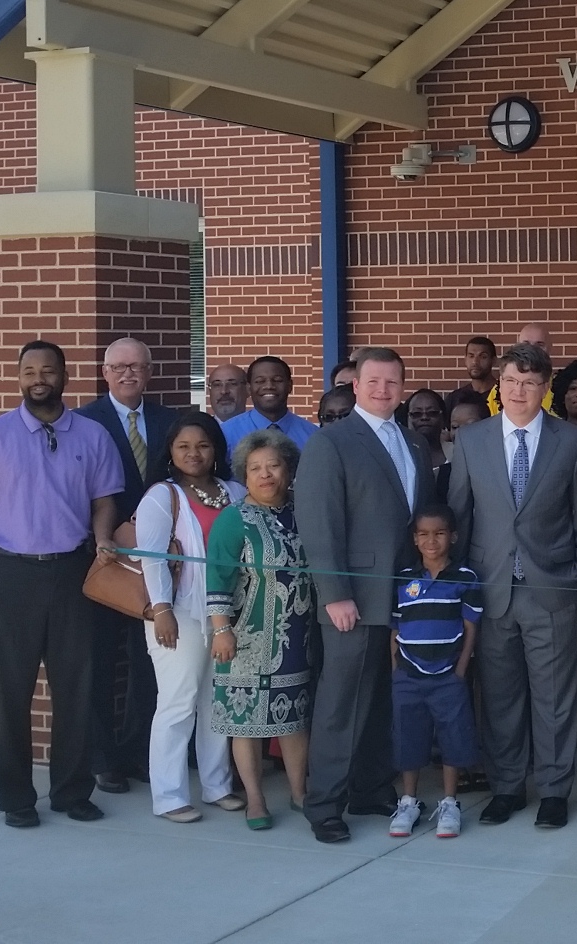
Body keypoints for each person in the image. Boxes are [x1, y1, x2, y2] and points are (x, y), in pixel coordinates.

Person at [0, 341, 125, 827]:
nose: (39, 378)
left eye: (48, 370)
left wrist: (100, 542)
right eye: (29, 370)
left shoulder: (92, 436)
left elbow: (104, 503)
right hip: (9, 575)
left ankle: (72, 793)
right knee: (9, 692)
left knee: (77, 687)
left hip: (73, 573)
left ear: (64, 376)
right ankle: (15, 798)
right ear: (19, 378)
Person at [445, 341, 577, 830]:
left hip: (550, 590)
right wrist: (459, 587)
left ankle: (554, 789)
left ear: (545, 388)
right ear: (499, 384)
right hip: (491, 591)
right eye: (511, 381)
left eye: (531, 383)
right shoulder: (472, 440)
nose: (520, 391)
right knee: (500, 696)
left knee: (555, 697)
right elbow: (460, 517)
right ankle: (508, 786)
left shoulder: (571, 442)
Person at [296, 347, 431, 843]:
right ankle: (324, 804)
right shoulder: (331, 443)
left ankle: (370, 788)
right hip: (352, 598)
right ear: (356, 385)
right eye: (373, 381)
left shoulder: (414, 443)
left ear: (402, 385)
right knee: (341, 702)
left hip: (404, 595)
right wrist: (335, 594)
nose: (382, 390)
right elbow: (319, 522)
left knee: (382, 700)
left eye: (392, 382)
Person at [76, 336, 177, 795]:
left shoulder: (169, 422)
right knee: (99, 660)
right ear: (105, 373)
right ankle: (104, 759)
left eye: (136, 366)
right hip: (101, 558)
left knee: (148, 662)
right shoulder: (82, 422)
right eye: (118, 367)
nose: (127, 373)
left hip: (154, 561)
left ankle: (140, 753)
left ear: (149, 372)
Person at [135, 411, 244, 823]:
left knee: (217, 703)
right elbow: (152, 560)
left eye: (202, 445)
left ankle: (216, 786)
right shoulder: (163, 496)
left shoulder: (233, 491)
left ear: (216, 448)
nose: (193, 453)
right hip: (178, 612)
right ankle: (168, 795)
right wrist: (161, 611)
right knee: (178, 704)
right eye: (183, 446)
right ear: (170, 451)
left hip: (226, 614)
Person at [206, 428, 315, 830]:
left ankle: (300, 792)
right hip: (246, 637)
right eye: (256, 468)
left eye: (274, 466)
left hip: (296, 635)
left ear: (288, 470)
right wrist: (222, 631)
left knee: (294, 718)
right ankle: (255, 800)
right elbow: (217, 576)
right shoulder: (234, 518)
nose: (266, 475)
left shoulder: (303, 510)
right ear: (244, 475)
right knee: (245, 721)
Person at [387, 505, 484, 840]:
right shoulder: (403, 578)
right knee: (408, 736)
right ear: (414, 539)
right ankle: (409, 801)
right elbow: (395, 628)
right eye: (424, 534)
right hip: (409, 675)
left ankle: (449, 802)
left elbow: (470, 628)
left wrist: (460, 670)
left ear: (453, 536)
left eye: (440, 533)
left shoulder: (465, 578)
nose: (432, 540)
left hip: (447, 676)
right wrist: (396, 667)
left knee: (453, 736)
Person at [223, 356, 319, 452]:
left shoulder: (312, 435)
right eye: (260, 381)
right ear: (249, 388)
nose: (269, 386)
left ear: (290, 386)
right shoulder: (226, 433)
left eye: (277, 380)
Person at [407, 387, 452, 495]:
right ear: (407, 418)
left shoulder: (458, 453)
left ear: (443, 418)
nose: (424, 417)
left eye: (432, 413)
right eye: (417, 414)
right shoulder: (399, 453)